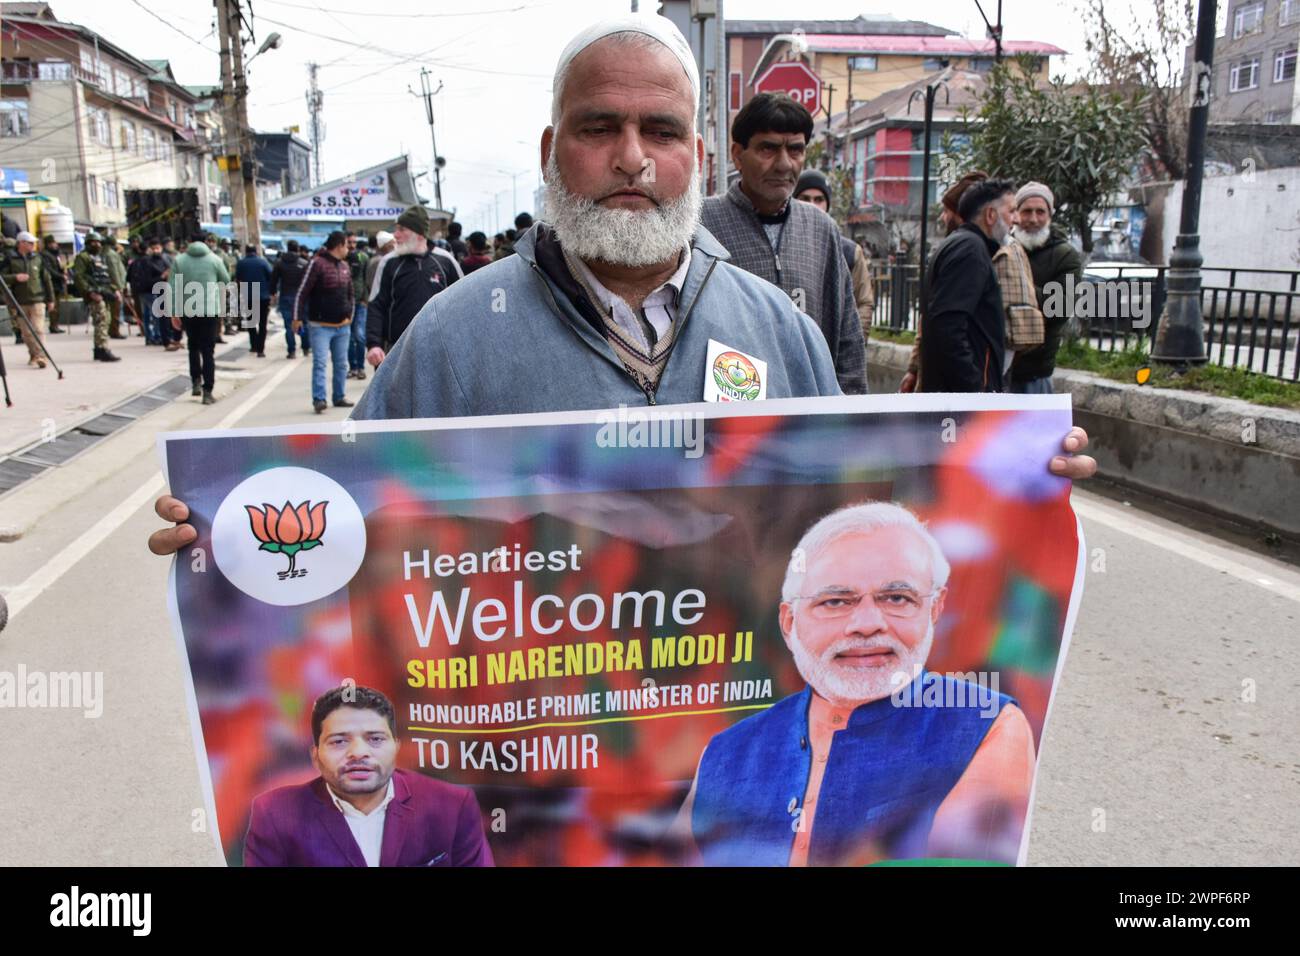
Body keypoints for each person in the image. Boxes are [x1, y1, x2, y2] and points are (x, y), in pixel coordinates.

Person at [148, 14, 1096, 557]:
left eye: (664, 132)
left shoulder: (778, 334)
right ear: (554, 152)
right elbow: (355, 528)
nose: (633, 159)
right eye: (602, 127)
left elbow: (858, 523)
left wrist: (1005, 482)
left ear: (699, 155)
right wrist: (227, 536)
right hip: (532, 797)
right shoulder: (450, 342)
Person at [684, 502, 1034, 866]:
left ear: (934, 609)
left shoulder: (984, 724)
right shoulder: (727, 752)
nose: (867, 623)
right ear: (789, 623)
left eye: (897, 598)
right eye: (835, 601)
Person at [702, 93, 867, 394]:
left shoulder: (821, 229)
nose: (784, 164)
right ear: (738, 154)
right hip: (730, 414)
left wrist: (851, 413)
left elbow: (847, 337)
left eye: (795, 150)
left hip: (809, 411)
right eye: (768, 148)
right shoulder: (702, 226)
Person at [244, 685, 493, 867]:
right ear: (315, 756)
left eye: (375, 739)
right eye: (339, 741)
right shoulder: (275, 814)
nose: (358, 753)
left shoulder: (452, 806)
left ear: (396, 747)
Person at [918, 178, 1016, 393]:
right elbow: (947, 325)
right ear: (991, 215)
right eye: (1011, 211)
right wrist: (975, 388)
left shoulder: (964, 244)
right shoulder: (970, 250)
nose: (1014, 220)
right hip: (964, 401)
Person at [1009, 182, 1085, 395]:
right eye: (1027, 211)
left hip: (1033, 374)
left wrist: (1016, 287)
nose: (1033, 219)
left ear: (1049, 215)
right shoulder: (1002, 249)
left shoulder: (1065, 255)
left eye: (1040, 212)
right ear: (1016, 214)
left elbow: (1060, 307)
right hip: (995, 370)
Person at [795, 168, 874, 344]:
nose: (813, 205)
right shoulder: (784, 248)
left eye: (819, 199)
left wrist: (853, 348)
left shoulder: (849, 251)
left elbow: (863, 302)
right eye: (805, 199)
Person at [364, 207, 449, 369]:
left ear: (419, 233)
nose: (395, 235)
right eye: (396, 230)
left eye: (402, 229)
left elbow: (461, 304)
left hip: (438, 350)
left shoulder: (445, 261)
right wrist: (374, 344)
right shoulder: (389, 262)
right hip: (395, 351)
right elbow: (376, 305)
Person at [294, 230, 354, 413]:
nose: (349, 249)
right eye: (346, 245)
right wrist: (296, 318)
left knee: (341, 363)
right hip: (320, 325)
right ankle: (319, 399)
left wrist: (350, 314)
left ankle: (339, 396)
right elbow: (302, 292)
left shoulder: (345, 266)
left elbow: (350, 294)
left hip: (343, 325)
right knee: (320, 362)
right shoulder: (316, 264)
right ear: (339, 246)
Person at [167, 234, 229, 403]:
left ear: (189, 242)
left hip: (188, 311)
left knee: (193, 347)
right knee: (208, 351)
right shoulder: (215, 259)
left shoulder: (180, 260)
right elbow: (226, 279)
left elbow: (172, 287)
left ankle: (195, 382)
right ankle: (207, 392)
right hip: (210, 311)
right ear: (206, 242)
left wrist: (174, 312)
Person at [2, 230, 56, 368]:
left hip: (37, 299)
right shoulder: (10, 259)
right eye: (30, 243)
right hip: (19, 301)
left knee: (38, 329)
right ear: (21, 243)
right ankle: (34, 354)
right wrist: (15, 277)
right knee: (26, 333)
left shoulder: (38, 258)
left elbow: (46, 279)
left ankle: (41, 357)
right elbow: (1, 278)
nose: (33, 245)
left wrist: (51, 299)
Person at [71, 231, 122, 362]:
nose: (97, 245)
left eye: (99, 242)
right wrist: (90, 292)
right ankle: (102, 349)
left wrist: (115, 289)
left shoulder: (100, 258)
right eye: (94, 242)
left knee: (106, 320)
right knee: (101, 321)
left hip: (105, 292)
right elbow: (79, 277)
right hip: (94, 294)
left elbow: (106, 276)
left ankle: (99, 349)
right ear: (88, 243)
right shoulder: (83, 257)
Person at [269, 239, 310, 358]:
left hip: (286, 296)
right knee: (301, 323)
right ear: (297, 249)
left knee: (288, 325)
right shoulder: (303, 263)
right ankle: (305, 347)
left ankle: (291, 350)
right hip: (301, 298)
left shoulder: (279, 263)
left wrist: (273, 294)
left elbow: (273, 280)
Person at [126, 236, 170, 345]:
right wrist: (162, 276)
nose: (156, 250)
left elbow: (128, 276)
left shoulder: (136, 261)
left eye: (158, 248)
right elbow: (149, 279)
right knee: (155, 314)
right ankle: (156, 336)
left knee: (146, 314)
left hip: (141, 291)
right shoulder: (148, 261)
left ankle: (149, 336)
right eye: (154, 248)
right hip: (150, 290)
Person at [235, 244, 273, 357]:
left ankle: (254, 345)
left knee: (251, 322)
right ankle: (261, 349)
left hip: (248, 295)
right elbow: (271, 276)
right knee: (262, 323)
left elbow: (238, 278)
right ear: (256, 251)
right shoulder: (263, 262)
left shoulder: (241, 263)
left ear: (246, 251)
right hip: (263, 296)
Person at [101, 234, 129, 339]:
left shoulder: (103, 253)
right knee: (115, 309)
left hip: (107, 284)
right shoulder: (111, 254)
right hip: (113, 285)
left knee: (110, 309)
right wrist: (119, 286)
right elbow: (114, 271)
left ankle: (109, 329)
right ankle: (114, 330)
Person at [40, 235, 69, 333]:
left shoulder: (56, 255)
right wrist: (60, 276)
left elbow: (59, 267)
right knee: (53, 305)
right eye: (53, 243)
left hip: (57, 283)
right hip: (51, 283)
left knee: (57, 305)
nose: (56, 245)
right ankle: (53, 325)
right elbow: (49, 270)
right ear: (49, 244)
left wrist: (63, 271)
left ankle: (54, 324)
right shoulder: (45, 255)